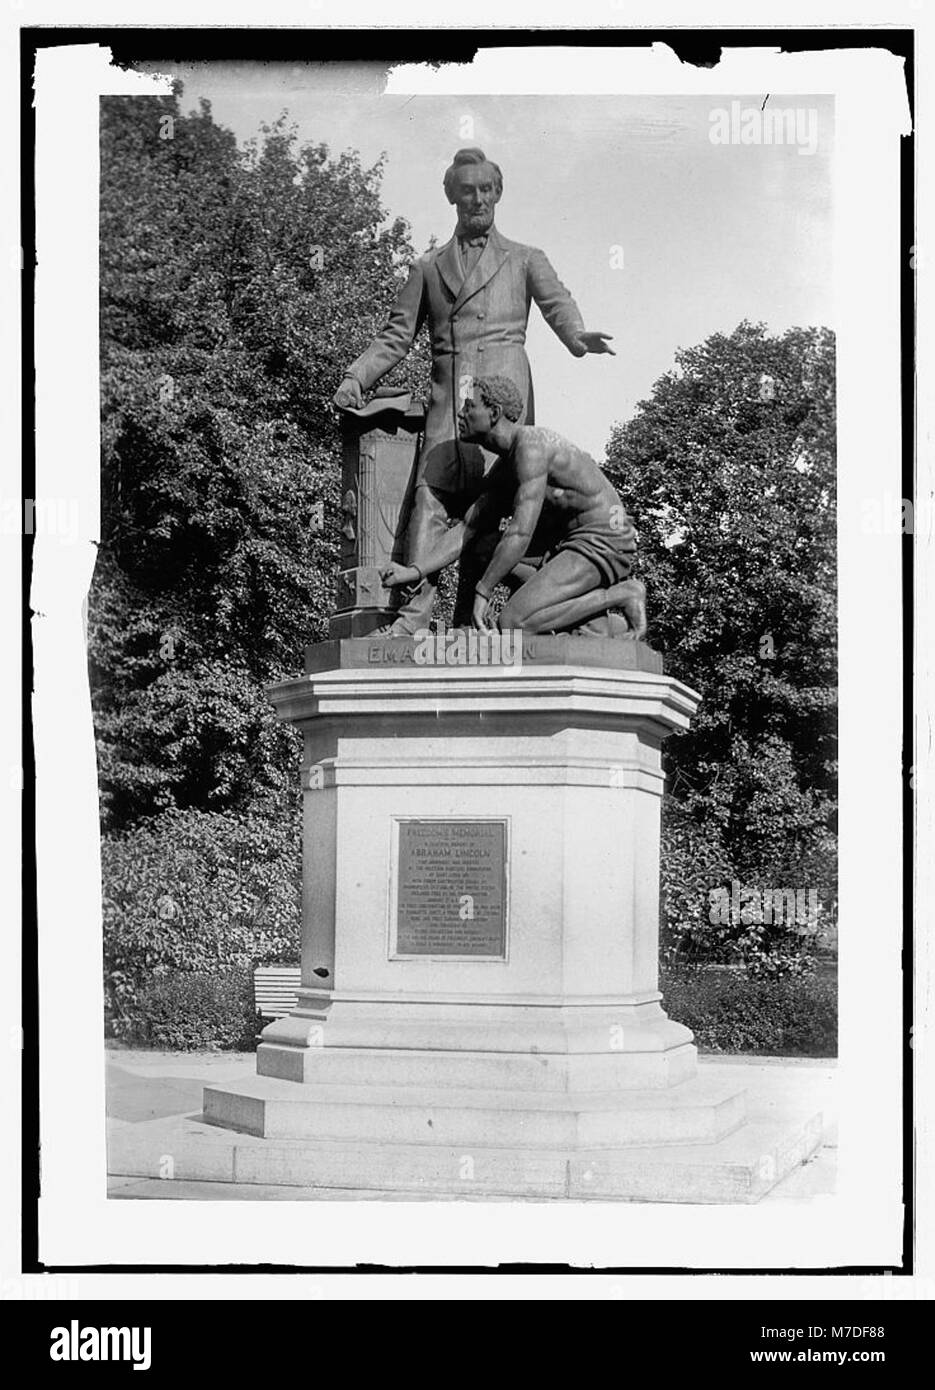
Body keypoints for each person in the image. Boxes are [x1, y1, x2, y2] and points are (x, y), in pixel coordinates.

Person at [333, 146, 615, 633]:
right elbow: (397, 335)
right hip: (450, 405)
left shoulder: (525, 258)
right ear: (452, 196)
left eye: (486, 189)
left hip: (500, 401)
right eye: (467, 190)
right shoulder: (427, 267)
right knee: (430, 501)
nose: (478, 199)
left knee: (490, 511)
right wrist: (357, 376)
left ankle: (469, 622)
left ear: (498, 193)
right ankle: (413, 619)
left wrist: (576, 336)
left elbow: (557, 304)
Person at [382, 375, 647, 638]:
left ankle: (621, 594)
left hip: (604, 543)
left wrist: (483, 591)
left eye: (469, 406)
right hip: (565, 547)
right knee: (480, 545)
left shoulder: (531, 447)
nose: (461, 414)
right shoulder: (507, 464)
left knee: (514, 623)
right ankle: (594, 622)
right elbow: (468, 527)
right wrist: (414, 570)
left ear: (494, 412)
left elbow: (520, 533)